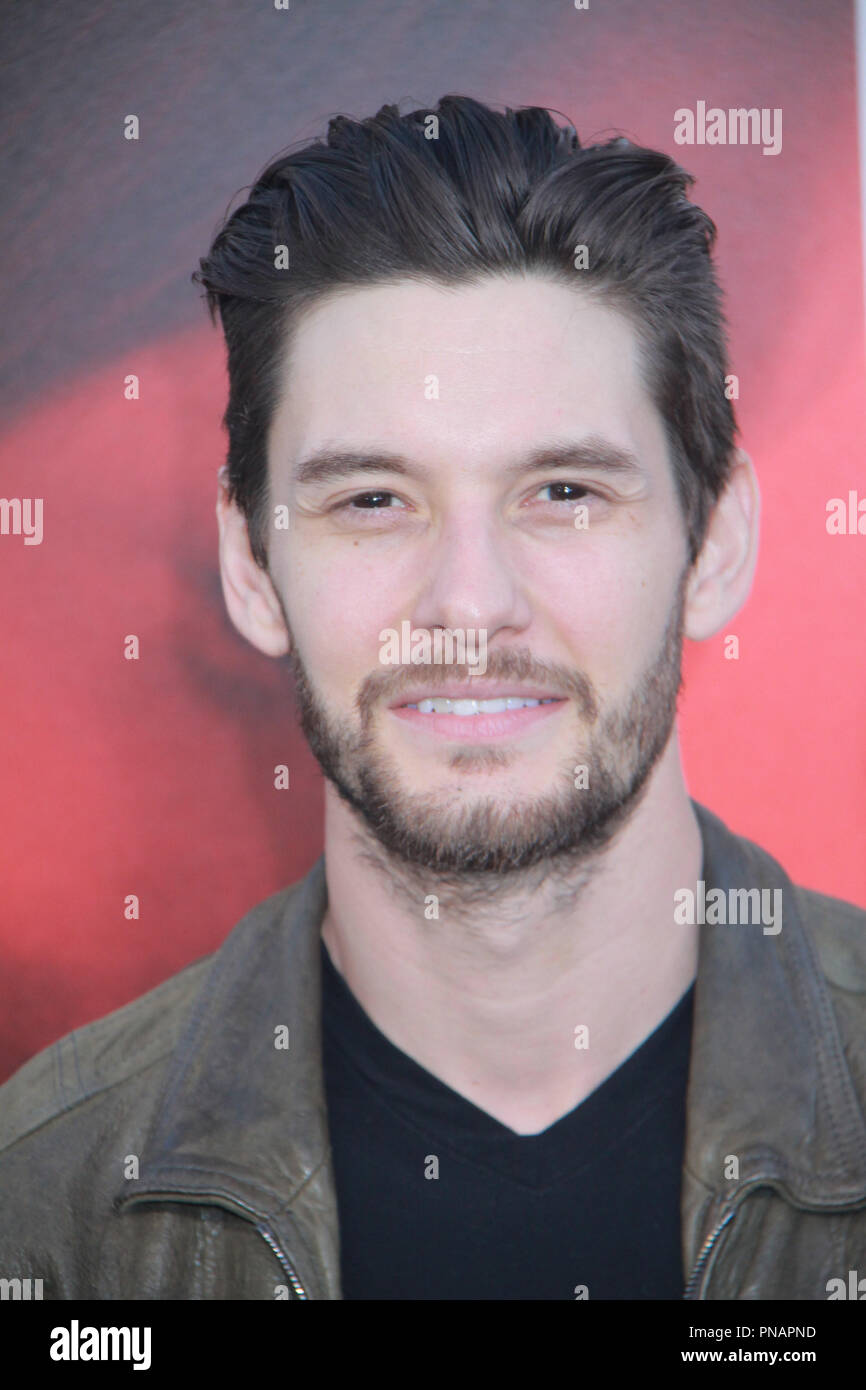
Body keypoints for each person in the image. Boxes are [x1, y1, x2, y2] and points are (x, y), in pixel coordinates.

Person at [1, 95, 864, 1302]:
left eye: (562, 491)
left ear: (712, 542)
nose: (467, 605)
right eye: (369, 500)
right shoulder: (42, 1200)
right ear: (252, 566)